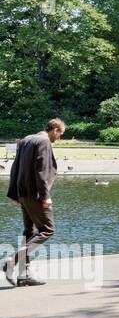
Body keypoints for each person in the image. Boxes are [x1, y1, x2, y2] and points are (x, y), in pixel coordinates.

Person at [3, 118, 66, 287]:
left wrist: (15, 194)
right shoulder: (44, 141)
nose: (58, 138)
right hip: (35, 195)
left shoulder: (26, 140)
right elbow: (42, 171)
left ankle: (24, 275)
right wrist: (45, 196)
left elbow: (15, 167)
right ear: (54, 130)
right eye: (60, 134)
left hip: (23, 193)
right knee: (48, 229)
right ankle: (13, 260)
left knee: (29, 231)